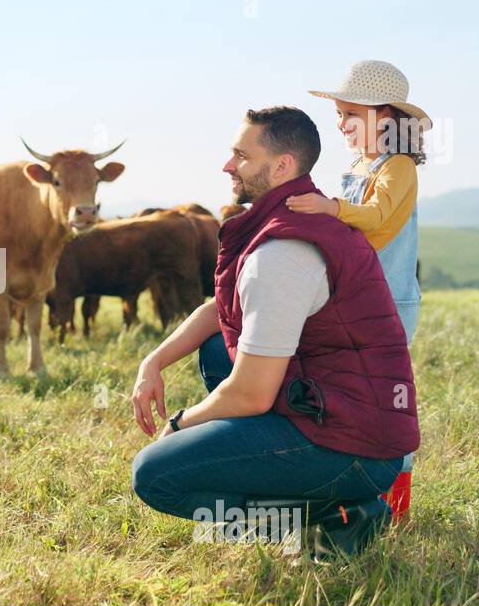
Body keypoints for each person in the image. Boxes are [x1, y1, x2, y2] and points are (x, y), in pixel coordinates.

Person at [129, 106, 420, 559]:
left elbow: (251, 395)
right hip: (344, 408)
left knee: (155, 474)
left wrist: (179, 424)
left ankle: (334, 517)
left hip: (357, 447)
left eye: (241, 156)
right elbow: (222, 309)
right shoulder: (287, 218)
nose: (228, 165)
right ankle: (309, 492)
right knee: (215, 350)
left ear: (282, 165)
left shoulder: (284, 252)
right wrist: (154, 362)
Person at [287, 60, 431, 517]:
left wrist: (329, 210)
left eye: (350, 114)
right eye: (340, 114)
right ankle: (353, 496)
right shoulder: (360, 165)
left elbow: (376, 221)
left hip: (389, 301)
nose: (341, 124)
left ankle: (395, 506)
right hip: (358, 299)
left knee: (389, 399)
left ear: (383, 117)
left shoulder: (399, 166)